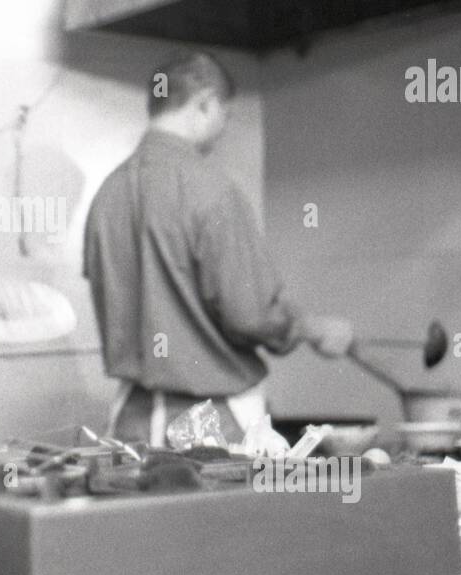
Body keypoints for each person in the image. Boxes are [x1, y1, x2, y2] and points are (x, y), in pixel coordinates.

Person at [82, 50, 353, 448]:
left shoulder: (107, 195)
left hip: (131, 423)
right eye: (225, 114)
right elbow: (249, 315)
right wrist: (310, 327)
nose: (224, 126)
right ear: (205, 103)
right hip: (210, 425)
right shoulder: (212, 191)